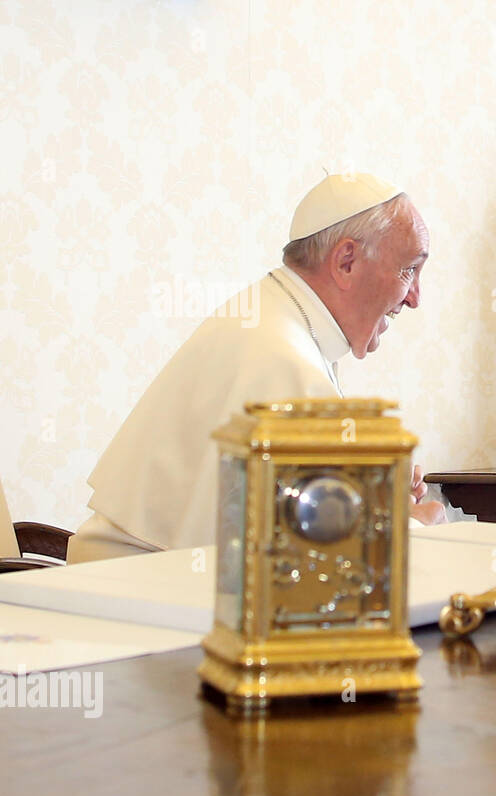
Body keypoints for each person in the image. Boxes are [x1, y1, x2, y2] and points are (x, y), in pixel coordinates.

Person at [68, 173, 444, 563]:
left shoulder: (277, 322)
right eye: (408, 270)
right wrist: (417, 528)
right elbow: (321, 560)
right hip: (134, 590)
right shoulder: (282, 355)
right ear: (346, 261)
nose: (414, 297)